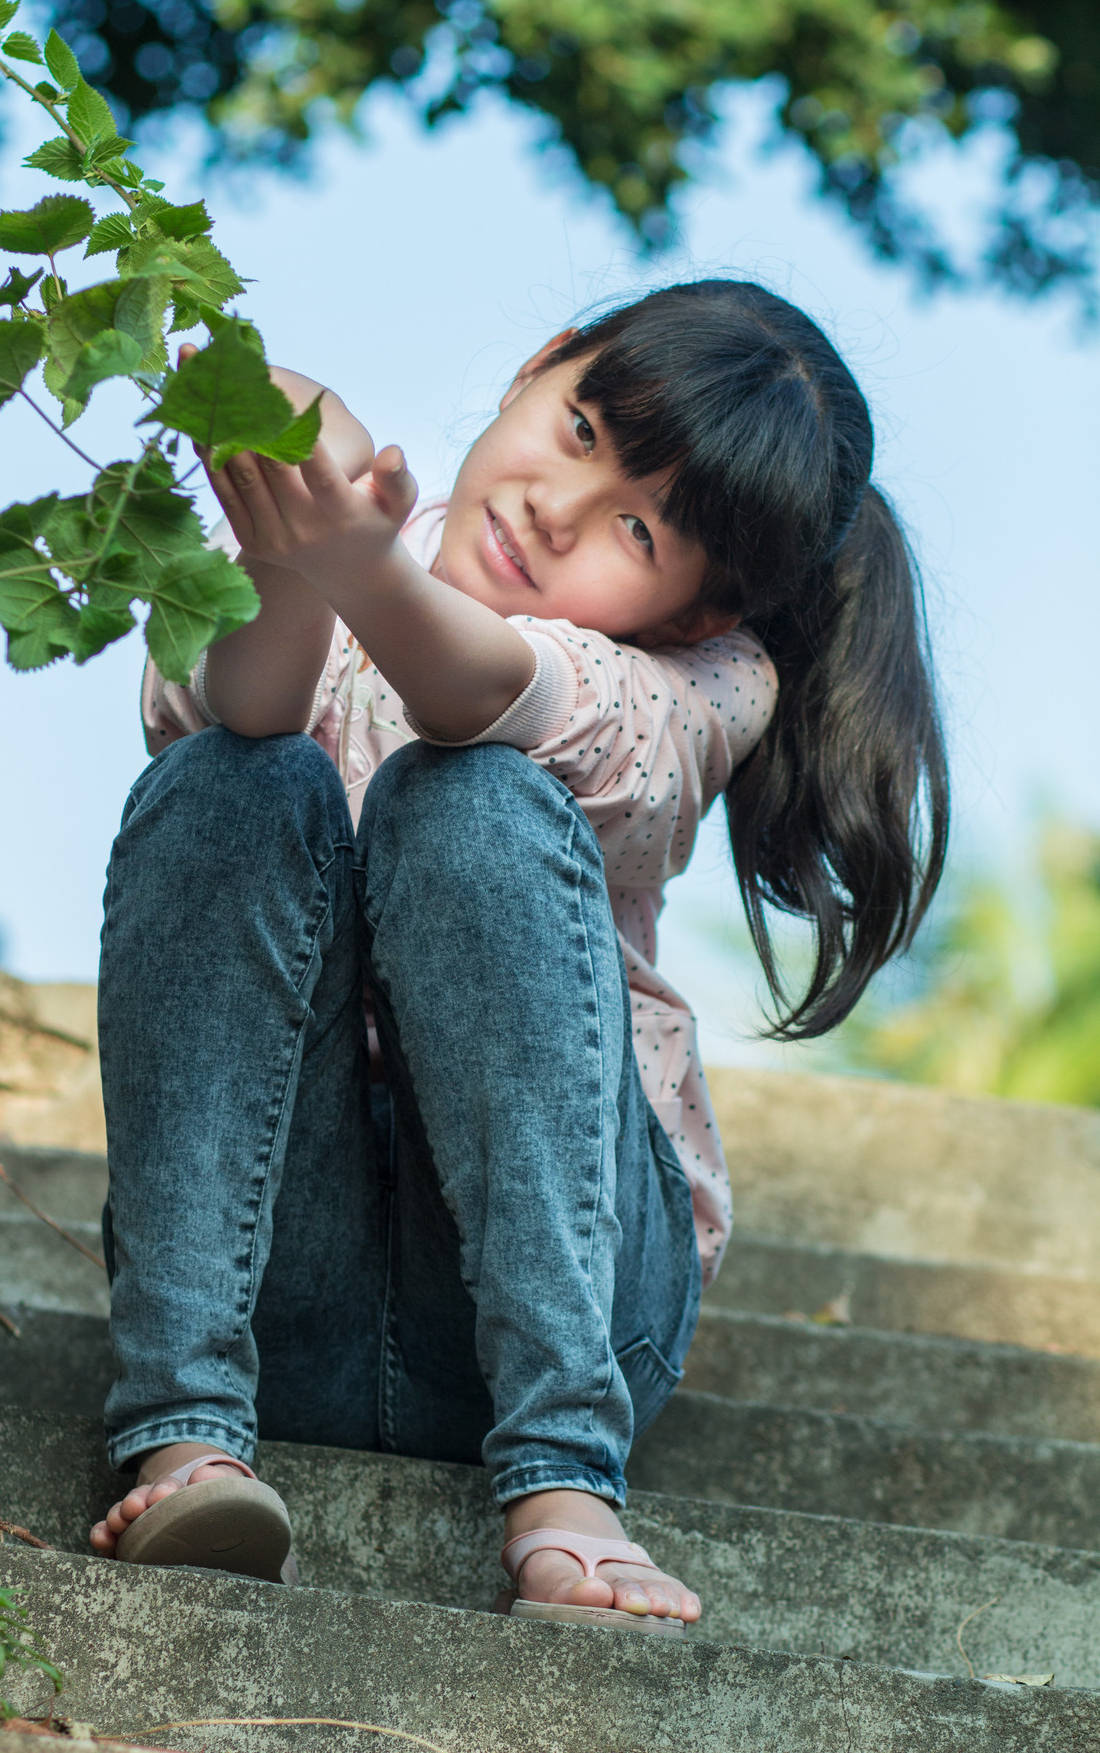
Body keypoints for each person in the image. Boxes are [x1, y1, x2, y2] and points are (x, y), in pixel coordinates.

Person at [88, 279, 948, 1630]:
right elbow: (231, 706)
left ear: (694, 614)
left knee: (469, 791)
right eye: (586, 427)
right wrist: (292, 557)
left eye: (642, 530)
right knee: (226, 782)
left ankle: (563, 1484)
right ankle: (187, 1427)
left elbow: (491, 694)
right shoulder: (367, 527)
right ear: (543, 365)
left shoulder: (708, 687)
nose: (562, 505)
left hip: (552, 1303)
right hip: (279, 1273)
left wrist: (360, 570)